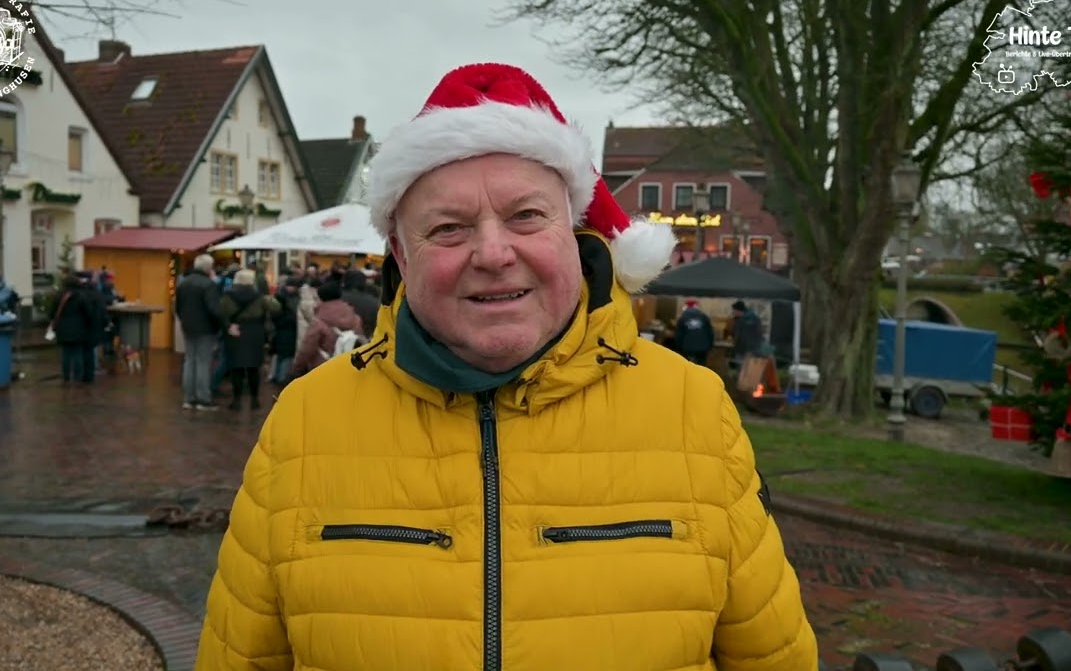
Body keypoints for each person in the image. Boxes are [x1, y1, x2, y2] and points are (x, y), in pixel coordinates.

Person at [195, 63, 817, 670]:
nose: (493, 253)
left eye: (525, 216)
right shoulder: (305, 421)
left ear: (572, 236)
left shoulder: (692, 408)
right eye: (448, 227)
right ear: (401, 259)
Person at [220, 268, 281, 410]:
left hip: (236, 331)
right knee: (254, 367)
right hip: (255, 332)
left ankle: (236, 400)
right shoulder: (259, 296)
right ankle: (254, 400)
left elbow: (221, 313)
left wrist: (228, 325)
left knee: (236, 368)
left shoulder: (227, 296)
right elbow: (276, 308)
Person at [175, 254, 223, 410]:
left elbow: (178, 307)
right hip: (206, 328)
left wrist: (184, 320)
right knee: (203, 362)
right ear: (208, 267)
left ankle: (189, 397)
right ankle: (203, 398)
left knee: (190, 360)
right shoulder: (209, 285)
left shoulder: (184, 283)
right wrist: (219, 325)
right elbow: (214, 309)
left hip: (188, 326)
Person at [289, 280, 364, 379]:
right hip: (348, 369)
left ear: (320, 298)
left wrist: (296, 369)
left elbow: (307, 349)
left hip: (323, 371)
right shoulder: (355, 318)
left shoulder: (318, 322)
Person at [730, 299, 766, 367]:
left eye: (734, 310)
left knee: (741, 370)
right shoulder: (755, 318)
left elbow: (737, 335)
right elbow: (760, 333)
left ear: (738, 310)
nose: (733, 312)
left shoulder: (740, 320)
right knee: (751, 370)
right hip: (754, 350)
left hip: (742, 350)